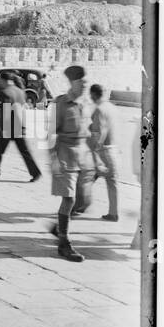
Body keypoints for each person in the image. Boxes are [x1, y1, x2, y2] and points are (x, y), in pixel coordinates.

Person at [48, 64, 95, 262]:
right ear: (72, 82)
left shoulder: (85, 104)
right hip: (65, 155)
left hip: (83, 155)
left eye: (86, 81)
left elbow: (89, 131)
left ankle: (59, 227)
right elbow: (50, 135)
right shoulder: (61, 103)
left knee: (84, 200)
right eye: (81, 82)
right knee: (69, 199)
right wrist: (53, 161)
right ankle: (64, 244)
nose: (85, 85)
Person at [0, 72, 42, 181]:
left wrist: (3, 129)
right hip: (20, 125)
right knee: (24, 152)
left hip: (9, 128)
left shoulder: (5, 93)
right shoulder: (20, 92)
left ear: (4, 80)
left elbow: (6, 112)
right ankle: (35, 173)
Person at [88, 83, 120, 222]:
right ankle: (113, 212)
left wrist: (94, 152)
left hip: (103, 151)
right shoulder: (112, 107)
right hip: (113, 149)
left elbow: (99, 132)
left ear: (94, 95)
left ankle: (76, 205)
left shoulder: (99, 110)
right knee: (111, 183)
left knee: (86, 179)